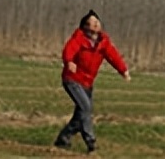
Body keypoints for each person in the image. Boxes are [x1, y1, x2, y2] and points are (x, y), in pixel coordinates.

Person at [54, 10, 130, 152]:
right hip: (73, 79)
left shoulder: (104, 42)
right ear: (85, 26)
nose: (95, 24)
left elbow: (113, 57)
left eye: (97, 22)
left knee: (81, 114)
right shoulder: (78, 38)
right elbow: (68, 50)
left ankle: (63, 138)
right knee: (86, 108)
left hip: (88, 83)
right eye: (92, 22)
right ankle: (90, 141)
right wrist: (69, 62)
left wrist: (123, 70)